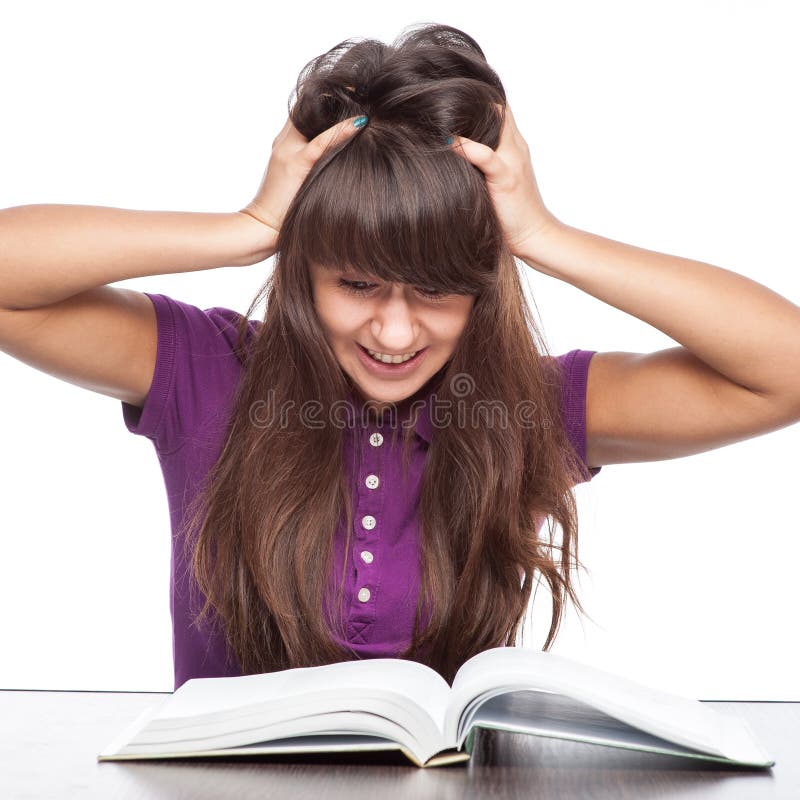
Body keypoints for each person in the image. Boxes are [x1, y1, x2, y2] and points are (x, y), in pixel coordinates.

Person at [2, 24, 799, 692]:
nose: (393, 332)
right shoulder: (207, 369)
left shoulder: (526, 408)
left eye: (437, 292)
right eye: (357, 284)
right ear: (303, 268)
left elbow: (784, 370)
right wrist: (246, 225)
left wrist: (545, 237)